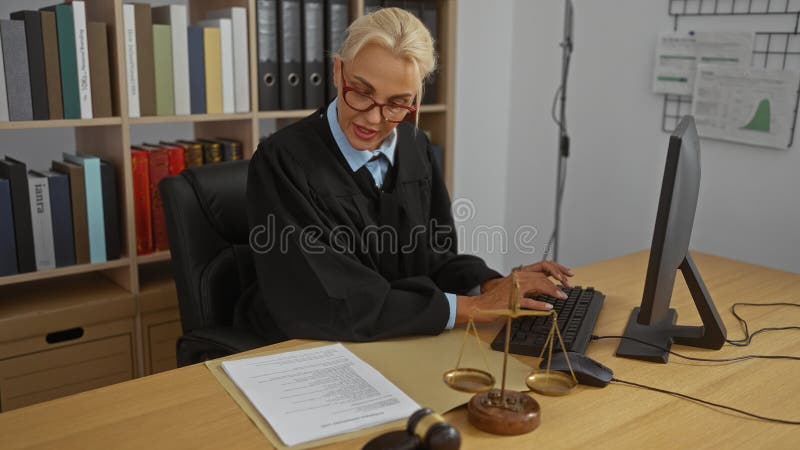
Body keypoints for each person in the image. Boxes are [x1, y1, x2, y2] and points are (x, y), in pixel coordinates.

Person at [237, 8, 574, 342]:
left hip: (399, 336)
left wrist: (490, 283)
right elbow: (322, 298)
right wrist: (472, 307)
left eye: (397, 103)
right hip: (307, 346)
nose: (372, 119)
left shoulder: (415, 147)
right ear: (339, 72)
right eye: (361, 92)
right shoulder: (284, 161)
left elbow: (435, 257)